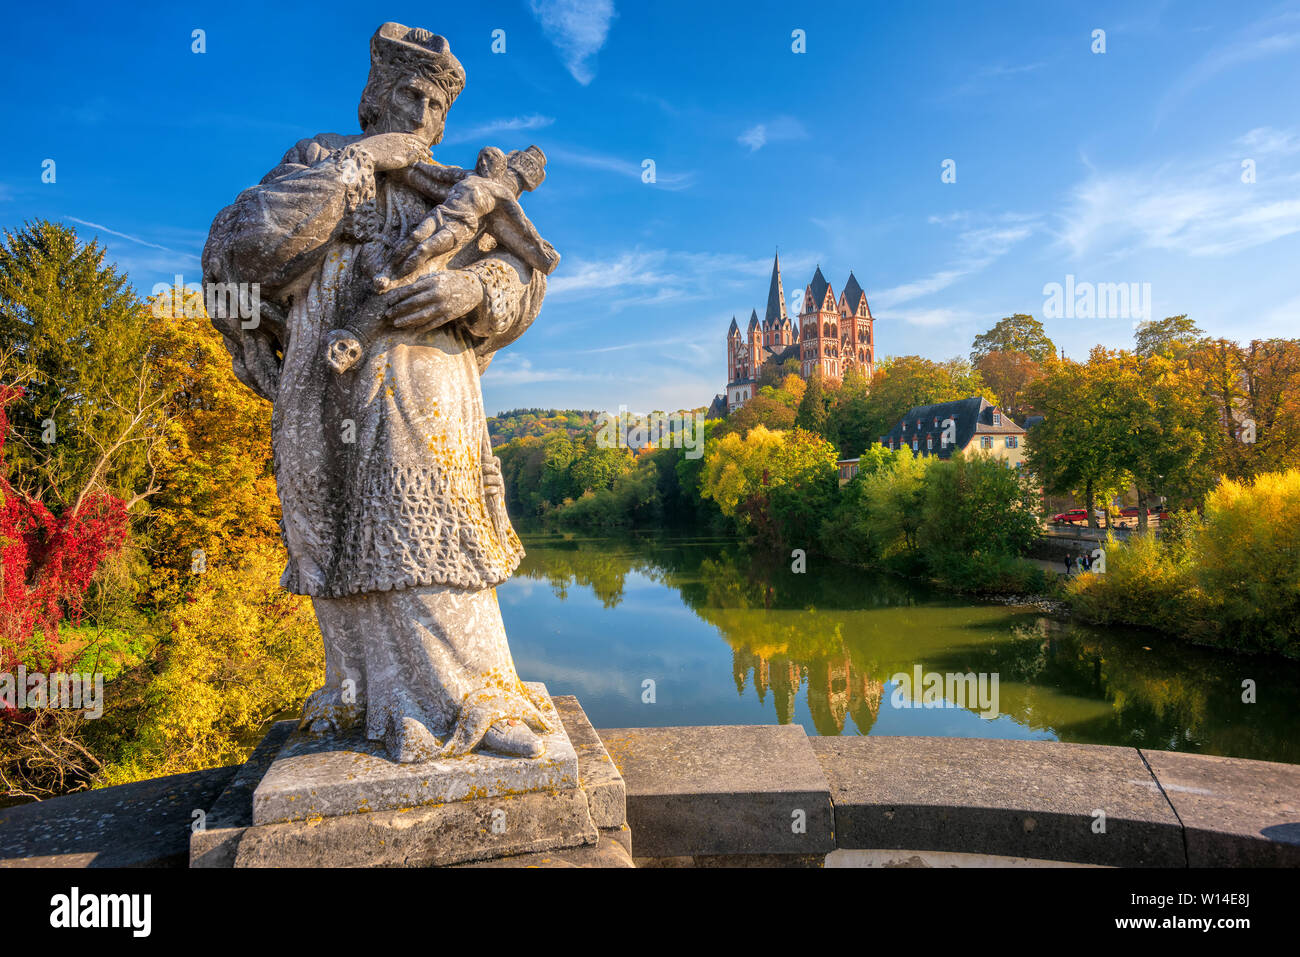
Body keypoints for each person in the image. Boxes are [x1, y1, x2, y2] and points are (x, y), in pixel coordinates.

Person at [203, 23, 560, 763]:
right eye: (411, 94)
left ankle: (472, 696)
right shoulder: (318, 160)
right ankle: (376, 699)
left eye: (437, 105)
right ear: (375, 96)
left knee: (435, 533)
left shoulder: (455, 187)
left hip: (434, 392)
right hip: (329, 390)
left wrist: (471, 287)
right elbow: (240, 251)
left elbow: (527, 276)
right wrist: (357, 166)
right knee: (351, 550)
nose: (425, 116)